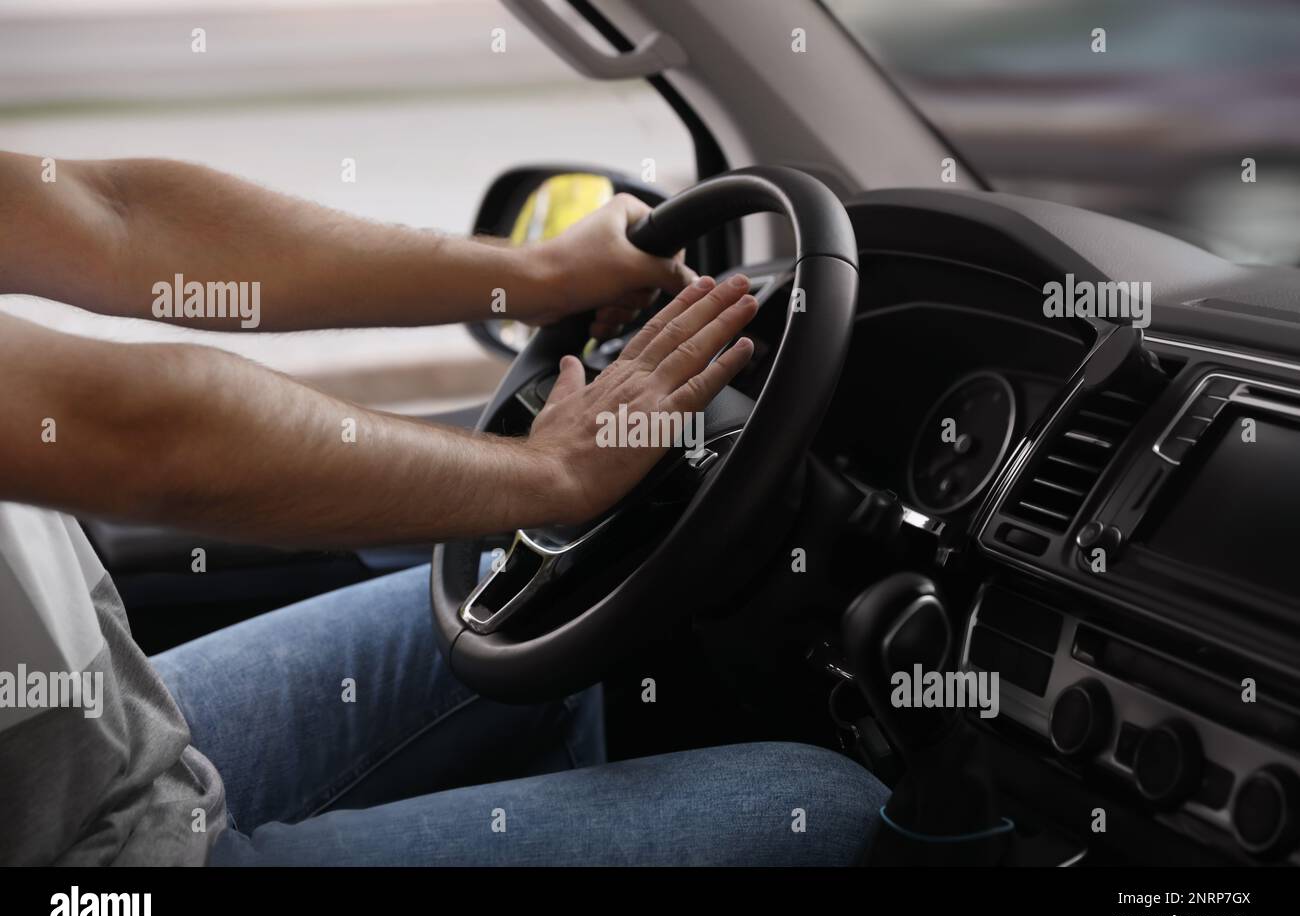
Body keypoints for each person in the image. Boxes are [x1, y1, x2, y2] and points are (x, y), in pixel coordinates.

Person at [0, 151, 888, 865]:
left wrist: (533, 273)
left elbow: (112, 215)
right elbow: (134, 433)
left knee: (527, 607)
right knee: (829, 812)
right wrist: (550, 474)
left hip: (110, 727)